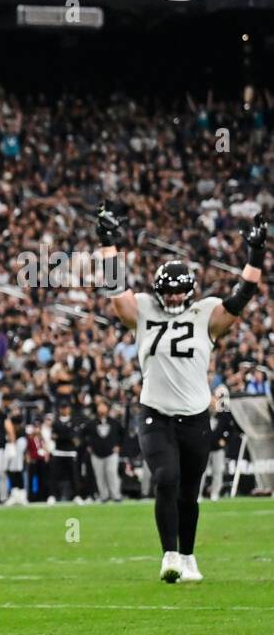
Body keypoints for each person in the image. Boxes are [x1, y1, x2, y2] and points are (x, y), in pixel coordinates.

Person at [95, 204, 266, 582]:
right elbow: (115, 292)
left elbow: (241, 297)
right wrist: (107, 243)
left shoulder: (205, 313)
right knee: (166, 478)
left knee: (190, 491)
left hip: (195, 416)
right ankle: (169, 555)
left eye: (178, 294)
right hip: (155, 413)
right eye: (167, 294)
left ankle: (188, 556)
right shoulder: (142, 309)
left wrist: (255, 255)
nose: (172, 300)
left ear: (189, 292)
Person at [84, 400, 124, 502]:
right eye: (99, 406)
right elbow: (83, 434)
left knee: (112, 473)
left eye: (103, 406)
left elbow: (123, 434)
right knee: (99, 475)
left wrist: (119, 446)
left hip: (111, 453)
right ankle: (104, 495)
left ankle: (116, 495)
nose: (101, 409)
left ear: (107, 408)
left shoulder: (114, 422)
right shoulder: (91, 423)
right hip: (96, 453)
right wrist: (89, 446)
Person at [203, 387, 234, 501]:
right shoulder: (205, 413)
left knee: (217, 471)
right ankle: (198, 493)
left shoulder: (224, 414)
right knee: (201, 471)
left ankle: (215, 493)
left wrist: (224, 440)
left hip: (217, 447)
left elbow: (230, 429)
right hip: (205, 447)